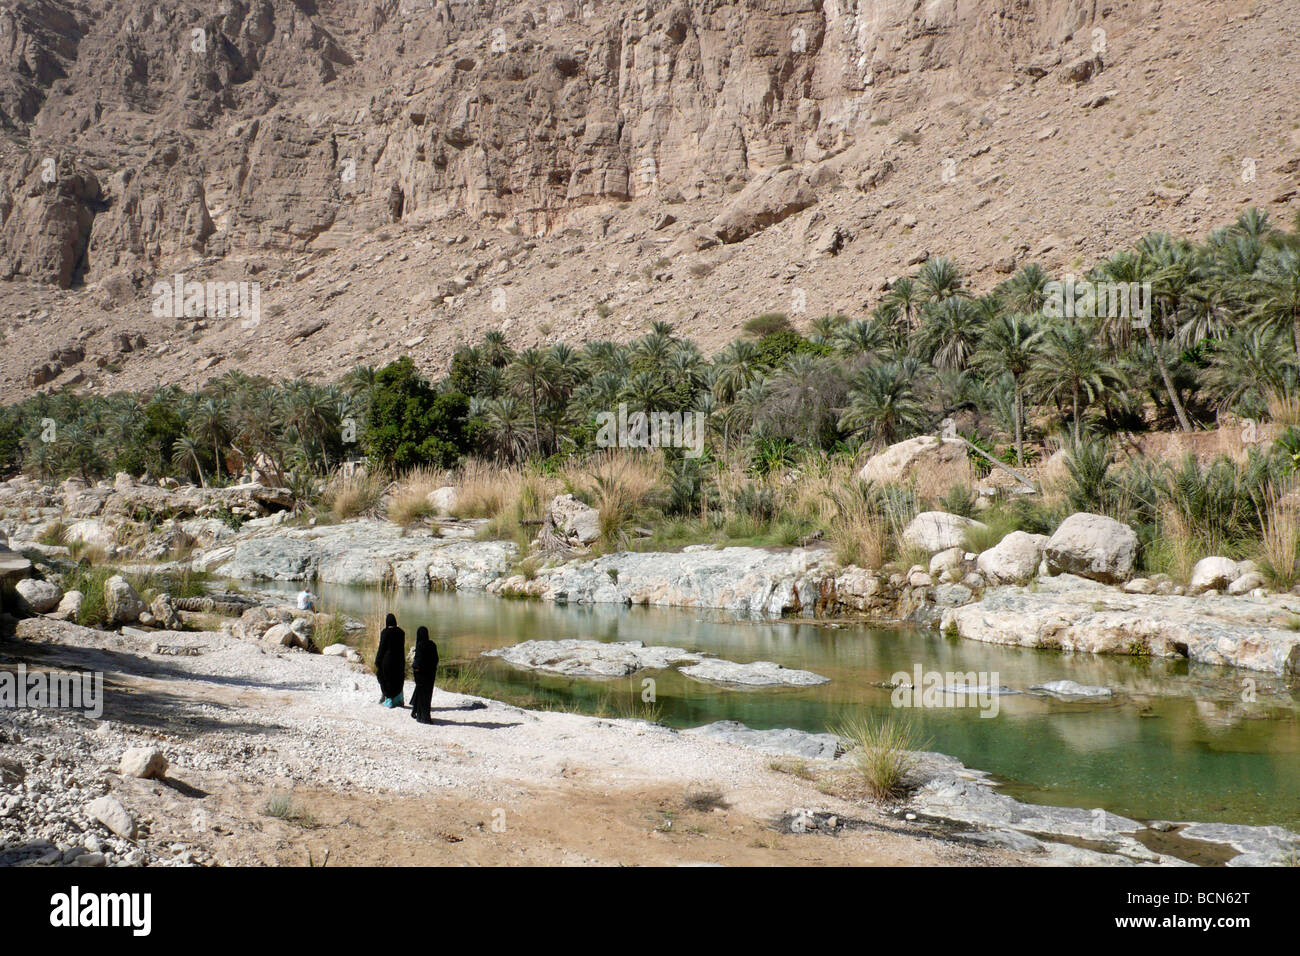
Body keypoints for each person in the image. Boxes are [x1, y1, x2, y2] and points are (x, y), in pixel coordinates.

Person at [374, 613, 406, 708]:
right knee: (397, 680)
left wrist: (377, 661)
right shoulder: (401, 632)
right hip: (399, 661)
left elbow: (382, 648)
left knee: (386, 679)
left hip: (387, 661)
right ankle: (398, 700)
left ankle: (389, 700)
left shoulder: (385, 632)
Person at [410, 626, 439, 724]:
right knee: (427, 696)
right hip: (430, 675)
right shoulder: (432, 644)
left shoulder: (420, 645)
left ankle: (421, 717)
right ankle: (423, 715)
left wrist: (415, 669)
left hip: (422, 675)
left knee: (421, 694)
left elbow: (418, 661)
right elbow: (436, 659)